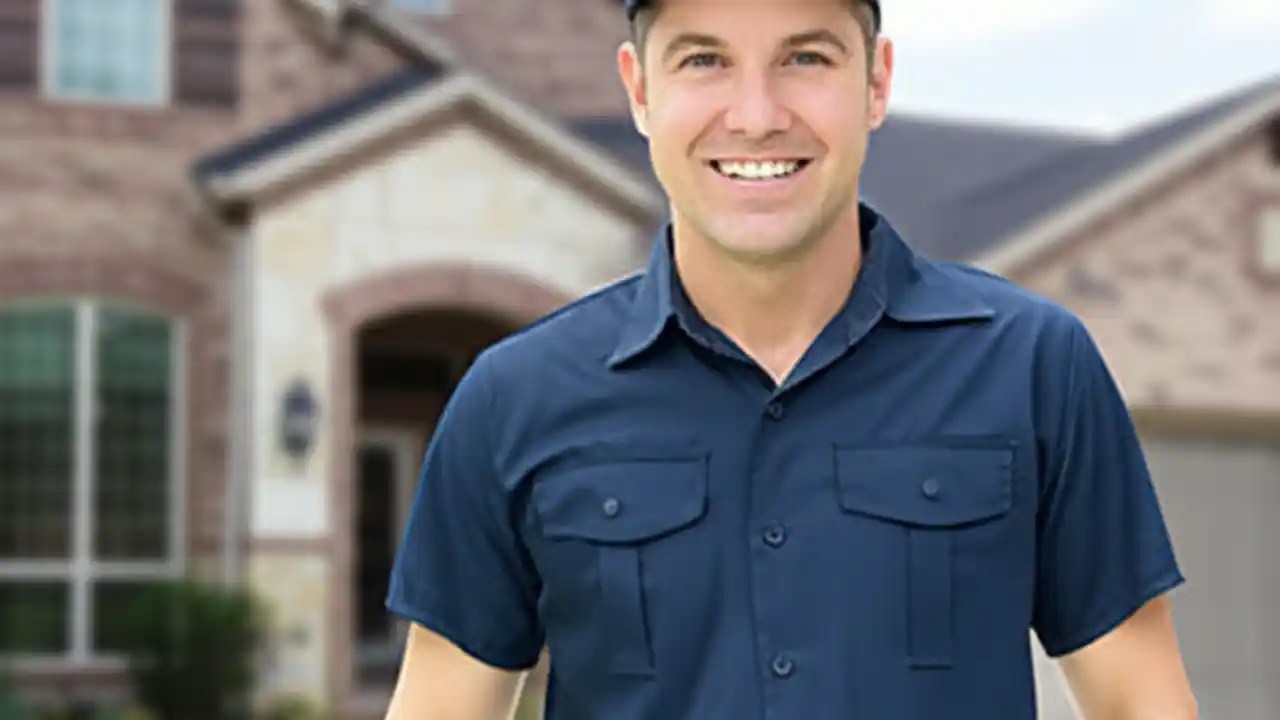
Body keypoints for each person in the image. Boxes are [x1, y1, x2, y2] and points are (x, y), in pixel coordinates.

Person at [383, 0, 1200, 717]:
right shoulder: (513, 399)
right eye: (704, 60)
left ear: (876, 82)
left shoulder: (1032, 367)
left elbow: (1139, 702)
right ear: (639, 90)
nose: (756, 114)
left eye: (804, 58)